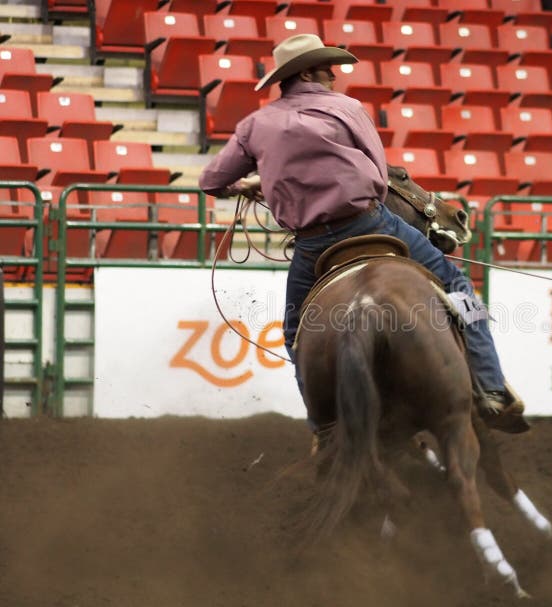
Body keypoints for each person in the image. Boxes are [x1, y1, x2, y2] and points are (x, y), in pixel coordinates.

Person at [199, 34, 529, 434]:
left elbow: (211, 181)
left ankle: (326, 429)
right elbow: (377, 172)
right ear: (307, 72)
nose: (334, 75)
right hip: (370, 223)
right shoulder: (347, 109)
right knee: (462, 290)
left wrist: (247, 185)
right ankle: (491, 389)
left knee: (295, 330)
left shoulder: (255, 125)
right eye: (327, 68)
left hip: (312, 243)